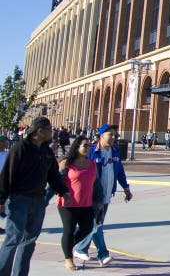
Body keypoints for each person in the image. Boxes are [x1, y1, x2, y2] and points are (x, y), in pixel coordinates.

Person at [0, 116, 70, 276]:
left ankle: (20, 273)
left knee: (29, 241)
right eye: (49, 129)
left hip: (38, 201)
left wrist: (63, 191)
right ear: (40, 131)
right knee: (13, 238)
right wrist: (1, 199)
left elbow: (53, 175)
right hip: (19, 200)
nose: (51, 132)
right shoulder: (20, 148)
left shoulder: (46, 151)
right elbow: (6, 175)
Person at [73, 124, 132, 267]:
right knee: (96, 225)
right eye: (109, 134)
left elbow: (119, 172)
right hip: (93, 195)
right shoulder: (92, 151)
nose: (113, 137)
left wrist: (126, 188)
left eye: (114, 135)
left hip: (107, 194)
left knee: (94, 224)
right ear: (101, 136)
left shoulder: (115, 152)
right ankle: (103, 254)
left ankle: (80, 247)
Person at [57, 136, 99, 271]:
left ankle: (67, 246)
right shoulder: (66, 163)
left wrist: (99, 200)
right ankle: (68, 259)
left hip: (86, 203)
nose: (88, 148)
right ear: (76, 147)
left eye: (89, 146)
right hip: (68, 204)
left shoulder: (92, 163)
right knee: (69, 230)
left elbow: (97, 184)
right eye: (85, 146)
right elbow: (57, 181)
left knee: (87, 228)